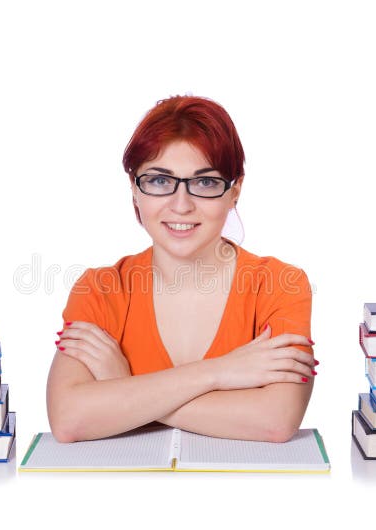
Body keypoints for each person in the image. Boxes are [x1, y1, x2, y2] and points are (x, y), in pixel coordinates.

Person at [46, 95, 316, 443]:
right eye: (159, 180)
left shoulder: (282, 284)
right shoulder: (99, 288)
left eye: (204, 182)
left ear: (235, 190)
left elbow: (276, 420)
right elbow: (69, 419)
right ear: (134, 189)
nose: (181, 205)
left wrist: (125, 390)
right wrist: (219, 373)